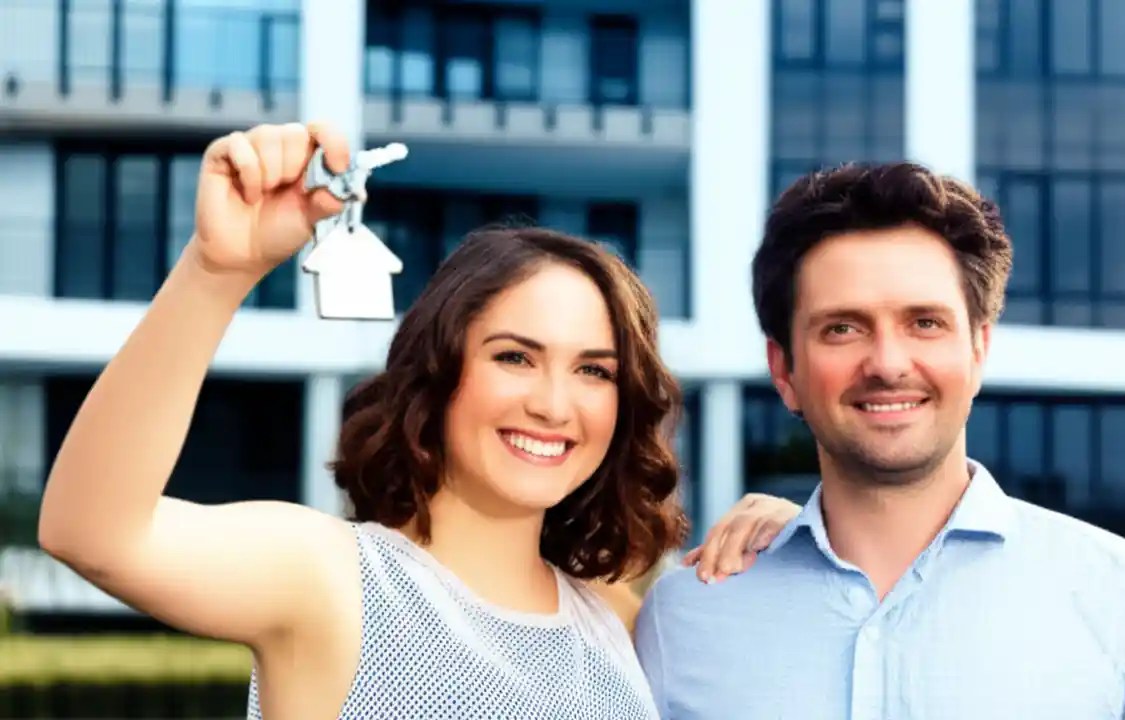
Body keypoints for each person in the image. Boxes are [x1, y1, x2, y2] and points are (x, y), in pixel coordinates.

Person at [36, 122, 799, 719]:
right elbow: (91, 532)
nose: (554, 403)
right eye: (514, 357)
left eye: (594, 370)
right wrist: (216, 271)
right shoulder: (330, 577)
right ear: (439, 375)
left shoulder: (613, 616)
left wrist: (793, 532)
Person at [635, 162, 1125, 719]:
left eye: (926, 323)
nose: (889, 363)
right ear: (784, 370)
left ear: (978, 350)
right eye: (842, 328)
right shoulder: (683, 621)